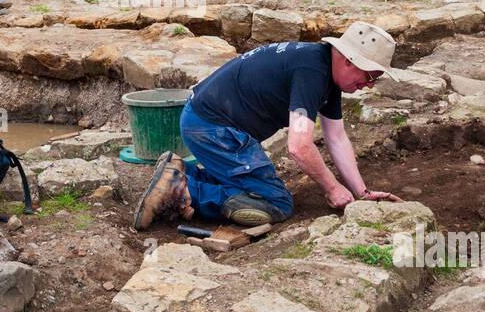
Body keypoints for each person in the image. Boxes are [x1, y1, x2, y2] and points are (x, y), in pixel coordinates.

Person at [134, 20, 403, 231]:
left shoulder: (324, 72)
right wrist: (333, 188)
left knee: (250, 188)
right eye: (369, 76)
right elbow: (299, 146)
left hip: (206, 120)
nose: (368, 85)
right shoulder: (312, 72)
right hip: (212, 128)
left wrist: (362, 192)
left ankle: (181, 173)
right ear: (348, 60)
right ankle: (183, 189)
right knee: (276, 204)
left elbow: (336, 138)